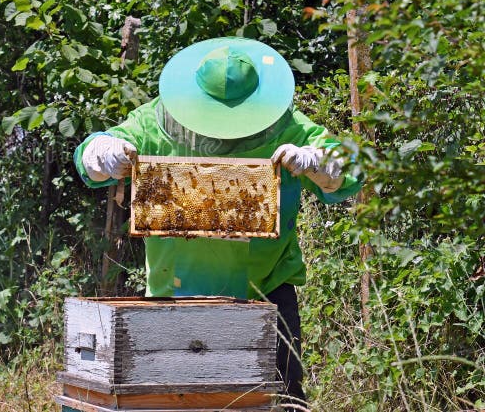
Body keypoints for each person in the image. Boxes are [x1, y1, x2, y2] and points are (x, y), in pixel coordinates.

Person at [73, 36, 362, 408]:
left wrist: (320, 162)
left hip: (264, 293)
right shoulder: (154, 121)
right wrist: (103, 154)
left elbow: (350, 170)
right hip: (173, 295)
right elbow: (91, 156)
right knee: (176, 402)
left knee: (279, 400)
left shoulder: (287, 125)